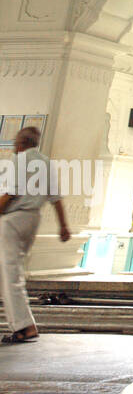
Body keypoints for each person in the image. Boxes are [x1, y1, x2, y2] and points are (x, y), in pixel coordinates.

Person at [0, 126, 71, 344]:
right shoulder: (46, 163)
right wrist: (63, 226)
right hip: (32, 219)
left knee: (10, 273)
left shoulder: (19, 160)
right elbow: (56, 198)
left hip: (13, 220)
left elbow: (11, 193)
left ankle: (25, 326)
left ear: (20, 144)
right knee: (9, 271)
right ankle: (20, 323)